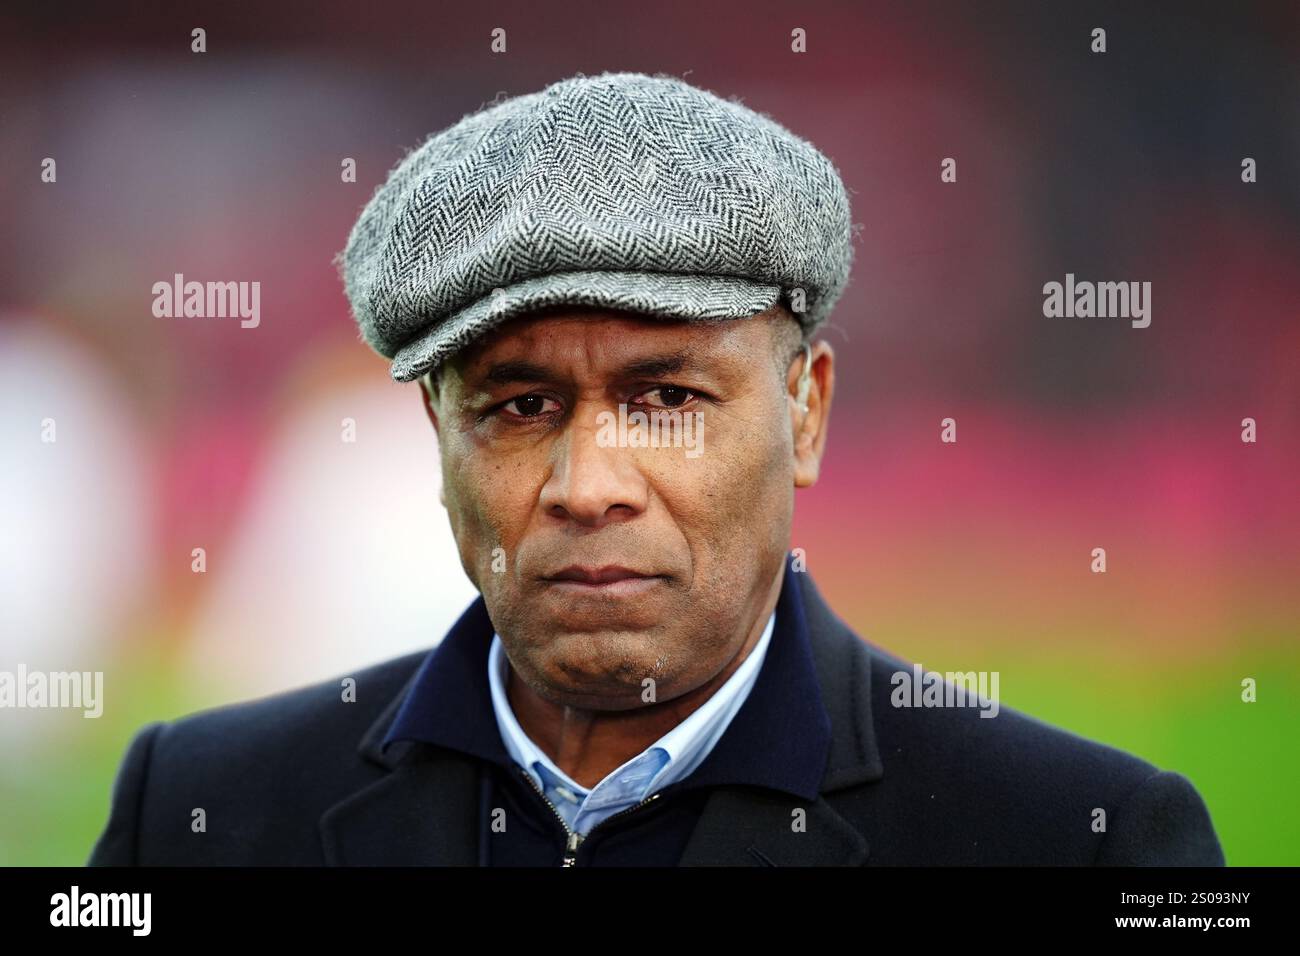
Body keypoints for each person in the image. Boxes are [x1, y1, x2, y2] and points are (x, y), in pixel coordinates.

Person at [88, 71, 1224, 866]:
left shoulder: (1077, 837)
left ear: (806, 410)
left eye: (667, 399)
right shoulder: (196, 808)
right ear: (434, 430)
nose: (589, 482)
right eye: (520, 405)